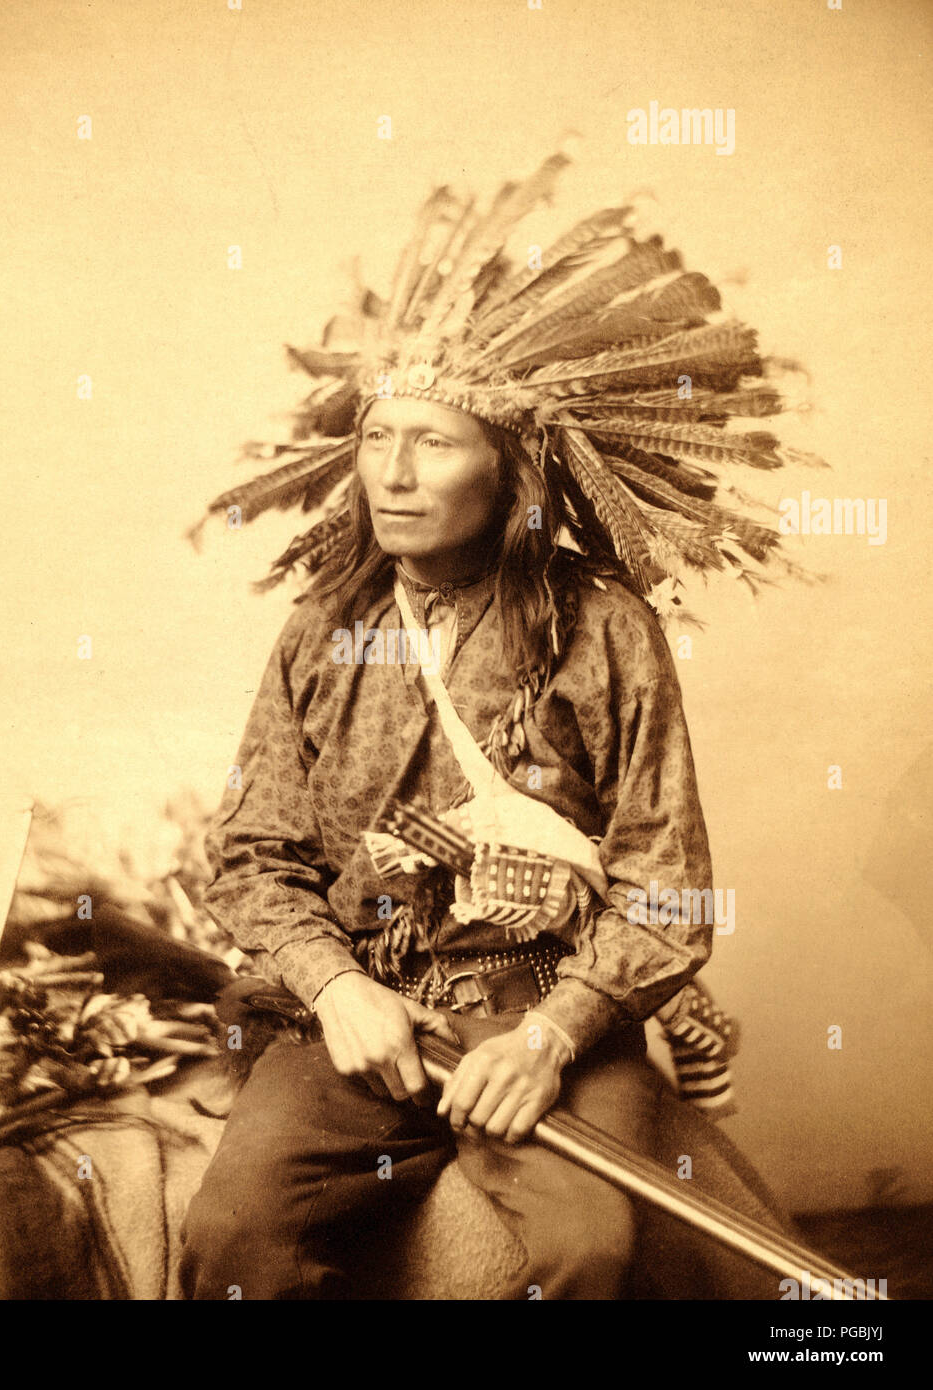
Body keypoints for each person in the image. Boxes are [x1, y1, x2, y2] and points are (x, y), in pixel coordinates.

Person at [179, 153, 797, 1299]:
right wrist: (334, 990)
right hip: (361, 1023)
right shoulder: (323, 630)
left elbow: (664, 882)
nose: (392, 476)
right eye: (375, 440)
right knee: (232, 1241)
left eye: (436, 442)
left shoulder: (603, 627)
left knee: (587, 1251)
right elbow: (254, 857)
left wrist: (552, 1036)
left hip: (542, 1019)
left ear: (510, 471)